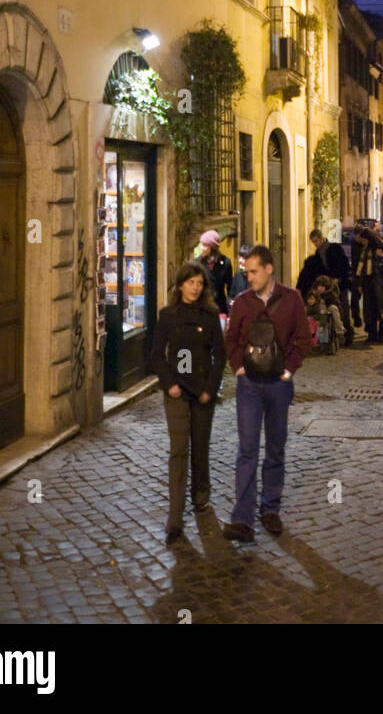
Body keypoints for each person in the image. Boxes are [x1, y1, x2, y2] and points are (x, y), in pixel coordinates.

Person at [222, 244, 312, 542]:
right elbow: (231, 339)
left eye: (253, 272)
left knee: (275, 448)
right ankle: (242, 518)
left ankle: (270, 508)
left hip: (278, 385)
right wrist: (239, 369)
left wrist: (287, 372)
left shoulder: (292, 299)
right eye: (247, 272)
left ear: (269, 269)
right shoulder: (242, 302)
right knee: (247, 450)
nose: (249, 278)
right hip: (249, 386)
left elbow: (303, 339)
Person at [150, 262, 226, 543]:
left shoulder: (209, 315)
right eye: (191, 282)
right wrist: (169, 383)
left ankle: (201, 498)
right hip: (177, 392)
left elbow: (220, 355)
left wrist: (210, 388)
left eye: (199, 283)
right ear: (180, 285)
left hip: (202, 390)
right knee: (179, 448)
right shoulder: (167, 316)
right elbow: (157, 354)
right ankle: (175, 513)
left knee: (200, 447)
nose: (195, 288)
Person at [298, 228, 354, 346]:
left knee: (343, 309)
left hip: (340, 285)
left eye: (316, 241)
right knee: (328, 310)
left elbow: (343, 265)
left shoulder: (335, 248)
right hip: (328, 287)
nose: (316, 244)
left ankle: (348, 335)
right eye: (313, 242)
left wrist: (338, 278)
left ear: (321, 237)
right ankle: (329, 337)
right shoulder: (317, 255)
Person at [352, 226, 383, 344]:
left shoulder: (381, 245)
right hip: (368, 283)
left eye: (365, 239)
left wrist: (382, 257)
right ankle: (372, 335)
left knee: (382, 311)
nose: (364, 242)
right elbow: (362, 267)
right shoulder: (365, 249)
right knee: (369, 311)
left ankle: (382, 336)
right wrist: (360, 284)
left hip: (381, 283)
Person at [194, 229, 233, 315]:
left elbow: (230, 288)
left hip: (220, 308)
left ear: (212, 247)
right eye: (201, 245)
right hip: (202, 308)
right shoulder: (198, 263)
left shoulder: (225, 263)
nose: (201, 248)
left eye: (205, 245)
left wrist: (230, 308)